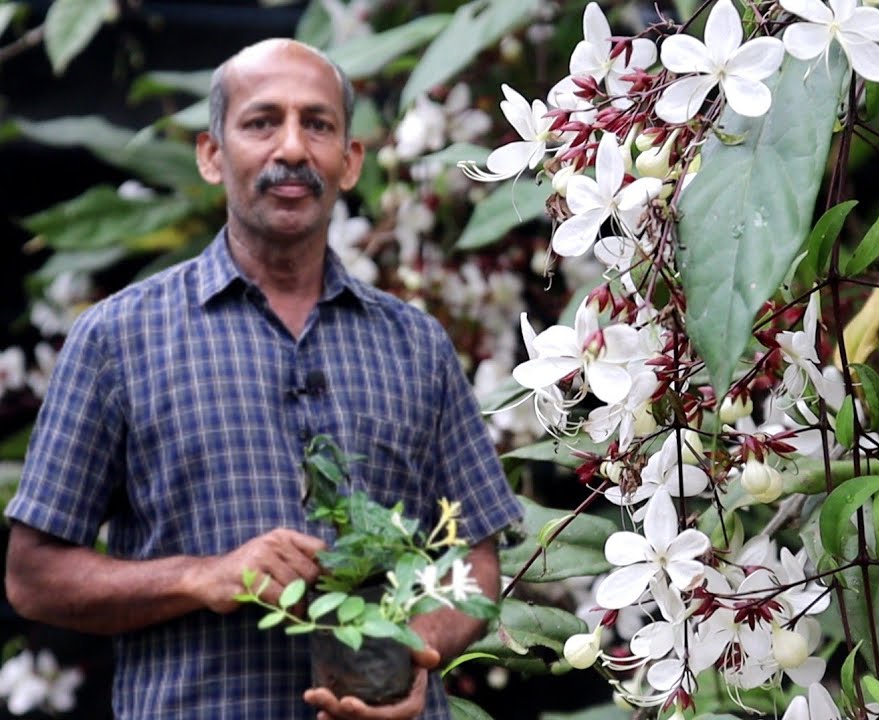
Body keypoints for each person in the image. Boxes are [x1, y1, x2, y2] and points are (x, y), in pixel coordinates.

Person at [3, 39, 522, 720]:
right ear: (212, 154)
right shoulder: (118, 338)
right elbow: (32, 577)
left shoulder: (415, 344)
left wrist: (412, 650)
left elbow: (476, 558)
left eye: (318, 124)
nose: (292, 148)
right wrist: (203, 575)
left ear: (349, 160)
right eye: (260, 122)